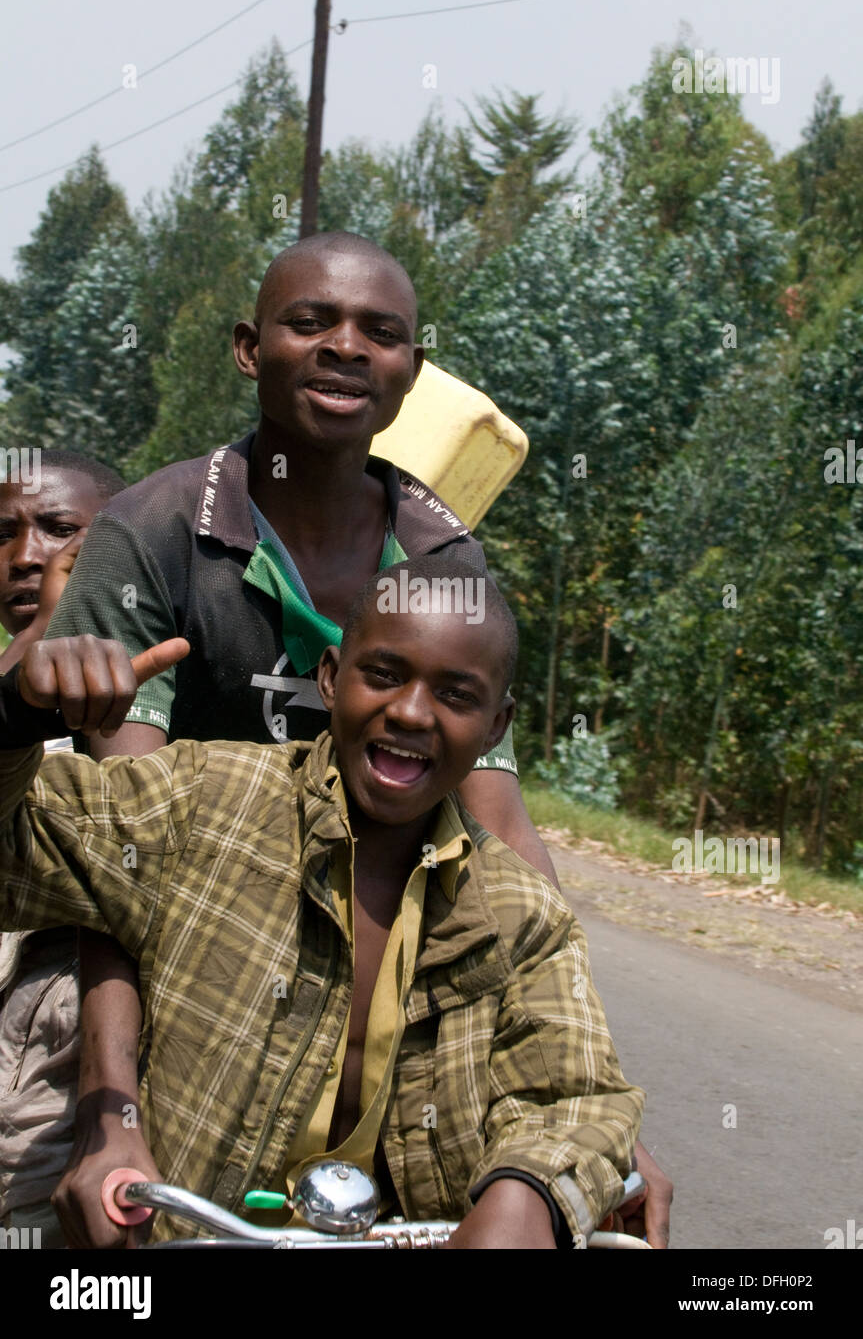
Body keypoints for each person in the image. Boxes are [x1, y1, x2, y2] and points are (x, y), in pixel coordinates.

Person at [45, 231, 671, 1245]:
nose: (345, 348)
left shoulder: (443, 552)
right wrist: (108, 1111)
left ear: (410, 375)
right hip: (172, 941)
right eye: (311, 323)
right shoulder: (151, 533)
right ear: (251, 348)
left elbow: (501, 836)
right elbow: (128, 870)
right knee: (70, 1204)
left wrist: (588, 1118)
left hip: (372, 953)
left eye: (379, 334)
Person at [0, 559, 644, 1248]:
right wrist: (12, 715)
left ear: (495, 726)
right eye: (385, 675)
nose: (410, 712)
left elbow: (577, 1094)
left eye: (456, 696)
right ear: (331, 678)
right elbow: (18, 847)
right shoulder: (202, 801)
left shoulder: (521, 916)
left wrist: (527, 1195)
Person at [0, 449, 125, 1248]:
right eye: (3, 534)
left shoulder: (143, 699)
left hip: (72, 1118)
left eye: (57, 532)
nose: (24, 556)